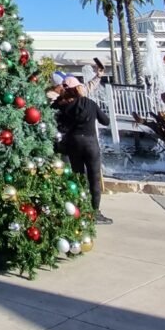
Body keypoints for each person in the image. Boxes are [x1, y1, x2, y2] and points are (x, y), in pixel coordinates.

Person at [54, 77, 112, 224]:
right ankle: (95, 213)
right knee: (94, 179)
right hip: (90, 143)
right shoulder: (90, 104)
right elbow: (105, 121)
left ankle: (79, 209)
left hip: (74, 144)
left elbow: (60, 125)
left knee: (78, 178)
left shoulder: (65, 107)